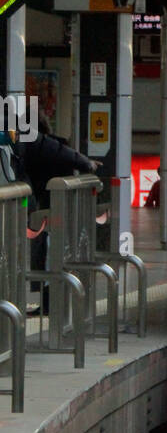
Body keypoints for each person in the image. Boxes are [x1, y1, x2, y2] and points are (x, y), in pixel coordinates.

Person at [13, 116, 100, 310]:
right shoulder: (39, 140)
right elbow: (54, 150)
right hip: (36, 207)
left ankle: (40, 305)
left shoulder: (24, 136)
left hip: (36, 207)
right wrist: (86, 163)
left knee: (44, 251)